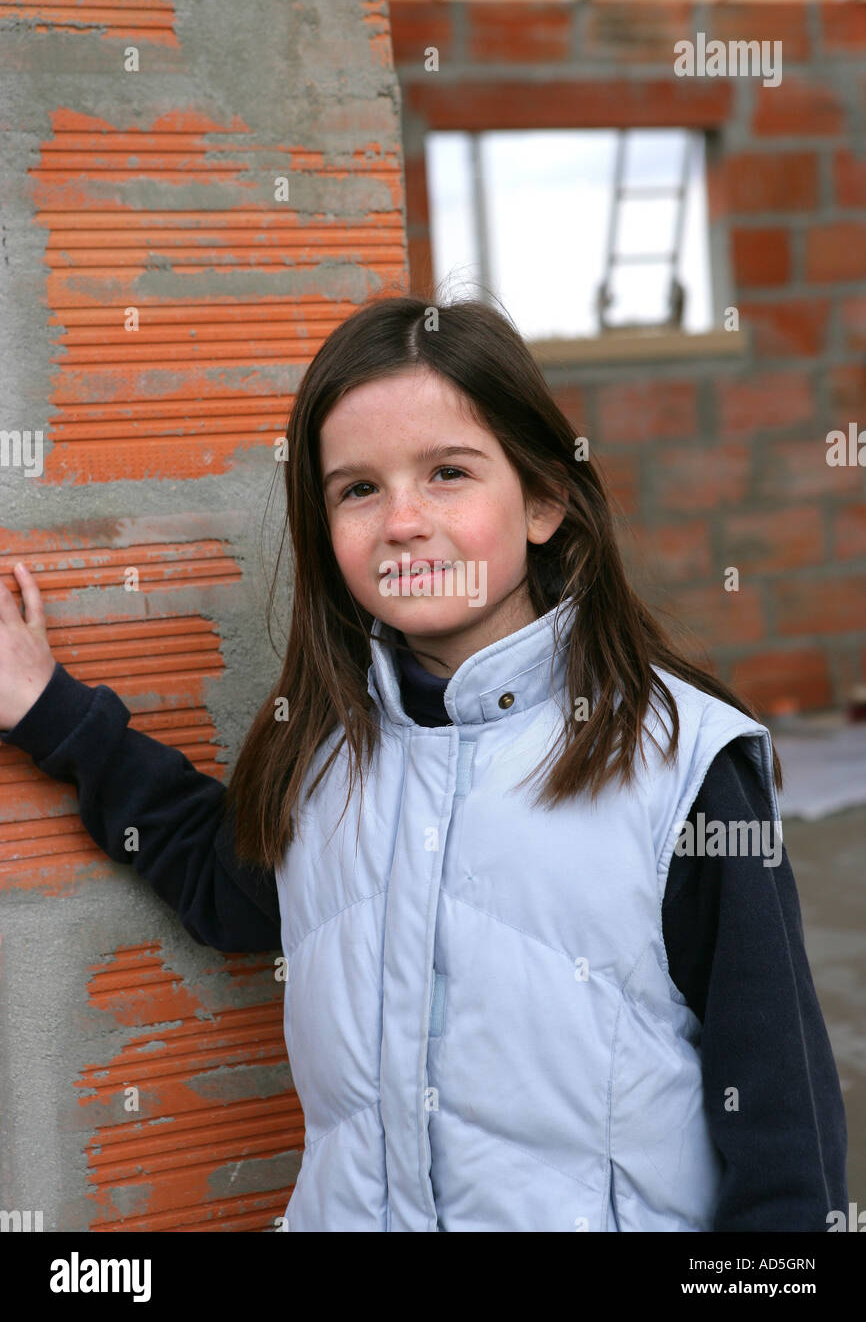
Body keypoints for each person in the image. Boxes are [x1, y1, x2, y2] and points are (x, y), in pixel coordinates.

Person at [0, 293, 848, 1233]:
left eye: (447, 473)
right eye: (357, 489)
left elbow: (784, 1125)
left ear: (542, 500)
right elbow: (220, 884)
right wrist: (49, 709)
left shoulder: (680, 762)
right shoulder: (321, 759)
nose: (402, 521)